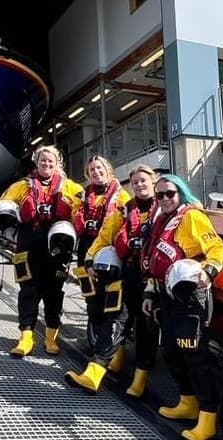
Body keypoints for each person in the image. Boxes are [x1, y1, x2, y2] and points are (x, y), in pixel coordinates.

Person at [141, 174, 223, 440]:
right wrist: (150, 293)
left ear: (181, 193)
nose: (165, 199)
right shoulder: (161, 222)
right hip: (166, 295)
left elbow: (216, 247)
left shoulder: (191, 217)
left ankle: (208, 419)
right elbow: (156, 262)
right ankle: (187, 402)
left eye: (170, 193)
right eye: (160, 195)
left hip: (190, 295)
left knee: (195, 357)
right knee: (172, 353)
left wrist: (209, 272)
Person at [64, 165, 160, 395]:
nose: (139, 185)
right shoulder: (126, 210)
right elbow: (106, 234)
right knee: (115, 319)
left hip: (153, 279)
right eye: (135, 182)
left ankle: (139, 381)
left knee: (147, 330)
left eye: (143, 181)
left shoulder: (165, 208)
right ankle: (93, 373)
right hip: (128, 274)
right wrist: (89, 259)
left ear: (153, 182)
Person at [0, 145, 84, 357]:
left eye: (51, 161)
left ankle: (51, 337)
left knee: (54, 293)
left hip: (57, 247)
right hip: (28, 244)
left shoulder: (71, 187)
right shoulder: (22, 186)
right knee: (28, 291)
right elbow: (2, 202)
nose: (47, 164)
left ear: (58, 163)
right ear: (36, 163)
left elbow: (87, 204)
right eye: (43, 161)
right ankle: (26, 336)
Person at [72, 155, 131, 357]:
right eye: (92, 170)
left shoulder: (122, 197)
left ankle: (114, 347)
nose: (96, 172)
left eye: (100, 168)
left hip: (110, 252)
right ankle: (95, 336)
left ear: (108, 170)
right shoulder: (80, 197)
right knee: (92, 298)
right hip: (86, 249)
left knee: (112, 299)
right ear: (88, 175)